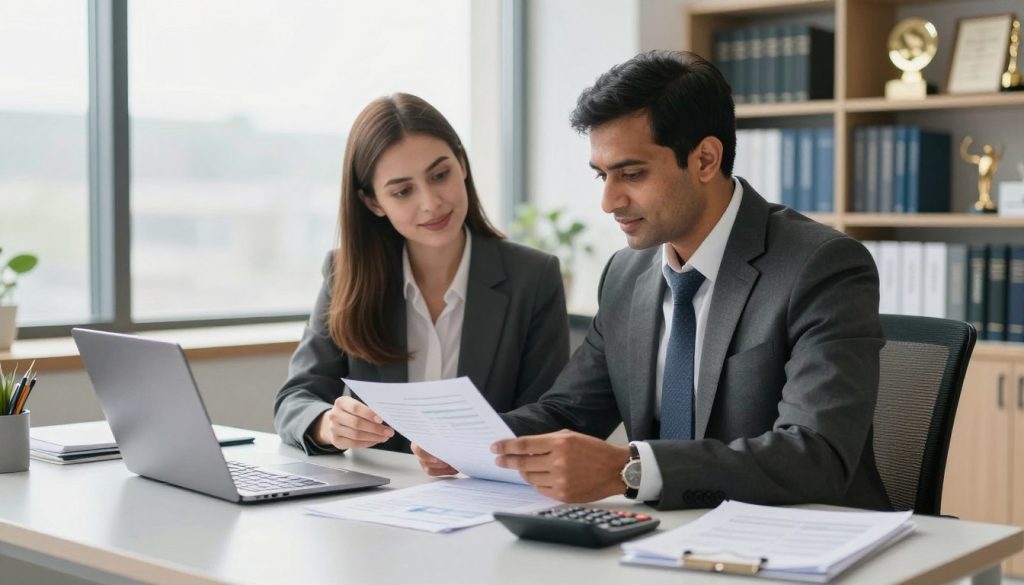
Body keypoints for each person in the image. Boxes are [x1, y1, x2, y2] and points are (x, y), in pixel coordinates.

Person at [415, 51, 891, 511]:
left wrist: (632, 468)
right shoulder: (627, 274)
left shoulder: (821, 266)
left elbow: (815, 456)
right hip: (668, 536)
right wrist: (471, 441)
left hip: (801, 542)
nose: (608, 201)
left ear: (705, 159)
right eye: (601, 175)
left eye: (632, 174)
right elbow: (569, 413)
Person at [275, 93, 570, 455]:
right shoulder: (345, 274)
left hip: (489, 492)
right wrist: (328, 424)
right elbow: (296, 398)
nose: (431, 203)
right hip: (378, 498)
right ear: (373, 202)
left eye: (440, 174)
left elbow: (549, 415)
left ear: (462, 164)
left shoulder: (533, 277)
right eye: (402, 191)